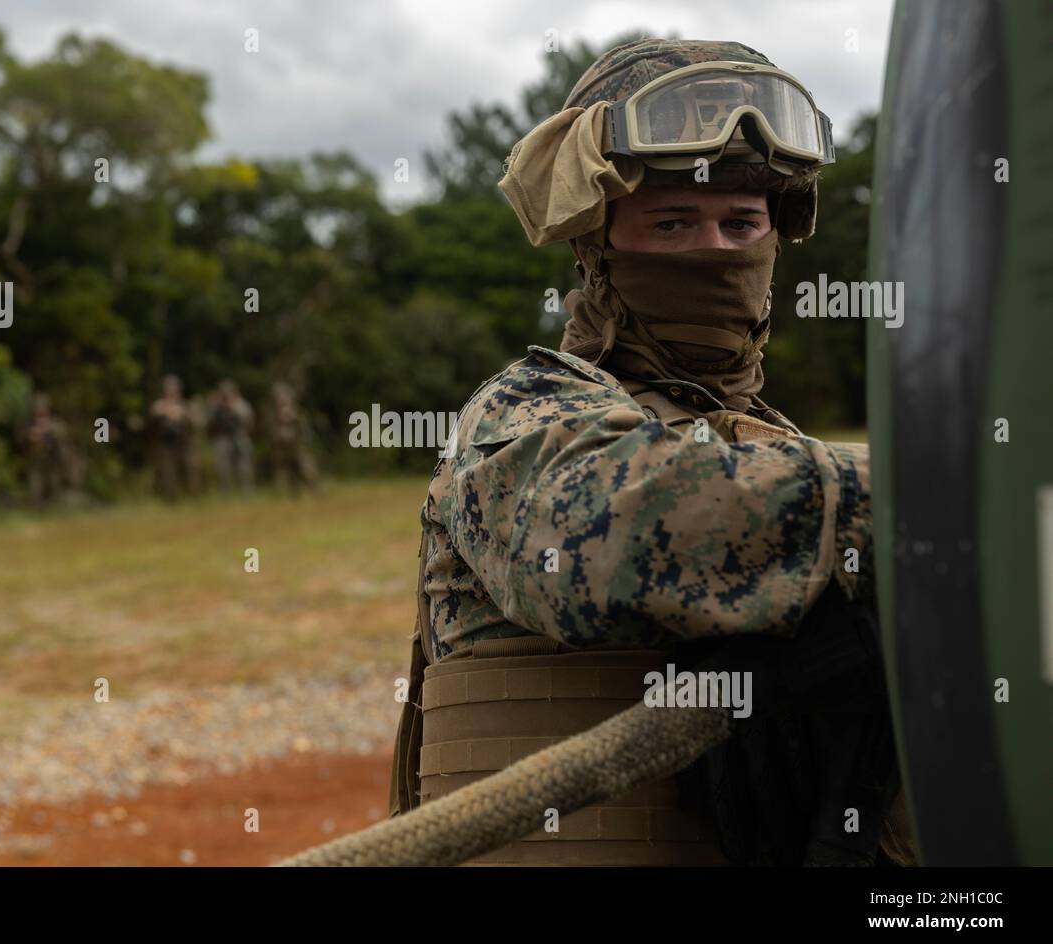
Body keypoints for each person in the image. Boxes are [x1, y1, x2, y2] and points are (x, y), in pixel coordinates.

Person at [388, 38, 910, 866]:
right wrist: (939, 500)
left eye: (742, 222)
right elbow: (604, 537)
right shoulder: (524, 413)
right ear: (598, 247)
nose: (717, 249)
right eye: (673, 222)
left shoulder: (785, 446)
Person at [149, 374, 203, 499]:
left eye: (173, 388)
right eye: (168, 388)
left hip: (185, 444)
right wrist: (162, 413)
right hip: (166, 445)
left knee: (191, 470)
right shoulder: (158, 406)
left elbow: (196, 424)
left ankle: (193, 497)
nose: (171, 391)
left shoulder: (186, 405)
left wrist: (182, 415)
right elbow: (151, 426)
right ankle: (171, 499)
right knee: (168, 473)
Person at [266, 381, 319, 494]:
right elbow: (271, 434)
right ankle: (294, 494)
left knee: (307, 470)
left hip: (297, 448)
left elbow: (306, 432)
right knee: (289, 474)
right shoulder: (273, 416)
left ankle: (316, 491)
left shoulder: (297, 415)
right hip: (282, 450)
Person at [207, 379, 255, 493]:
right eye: (223, 393)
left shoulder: (241, 404)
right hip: (221, 438)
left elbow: (249, 422)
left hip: (240, 436)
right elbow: (208, 423)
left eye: (229, 393)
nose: (226, 396)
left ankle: (246, 491)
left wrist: (232, 408)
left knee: (244, 467)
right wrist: (216, 406)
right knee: (222, 468)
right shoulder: (215, 406)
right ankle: (225, 492)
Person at [25, 392, 72, 506]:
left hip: (54, 463)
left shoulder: (56, 424)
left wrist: (49, 430)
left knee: (54, 491)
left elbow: (64, 436)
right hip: (36, 464)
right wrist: (32, 436)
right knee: (35, 492)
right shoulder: (28, 424)